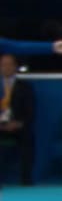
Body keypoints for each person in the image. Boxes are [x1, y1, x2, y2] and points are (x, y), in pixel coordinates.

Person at [0, 53, 37, 185]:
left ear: (15, 67)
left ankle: (26, 179)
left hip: (17, 126)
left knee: (28, 138)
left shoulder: (25, 87)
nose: (6, 68)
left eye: (10, 65)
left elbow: (30, 111)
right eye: (3, 65)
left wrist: (19, 123)